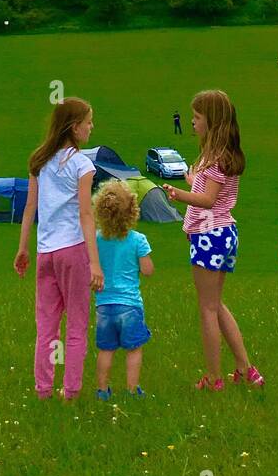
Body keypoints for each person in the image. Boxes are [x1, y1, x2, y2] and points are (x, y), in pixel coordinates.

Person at [164, 91, 264, 391]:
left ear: (212, 121)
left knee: (207, 308)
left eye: (197, 117)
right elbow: (211, 190)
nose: (192, 122)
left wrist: (179, 194)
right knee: (216, 304)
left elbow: (208, 200)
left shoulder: (215, 159)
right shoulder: (221, 156)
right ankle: (246, 369)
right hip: (224, 234)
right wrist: (192, 180)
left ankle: (213, 378)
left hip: (210, 235)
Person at [14, 98, 103, 401]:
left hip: (45, 252)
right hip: (73, 250)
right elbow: (86, 214)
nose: (91, 127)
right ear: (75, 127)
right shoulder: (82, 165)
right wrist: (95, 263)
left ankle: (43, 390)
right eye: (88, 122)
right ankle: (72, 392)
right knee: (77, 325)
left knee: (46, 327)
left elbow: (30, 208)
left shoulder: (39, 161)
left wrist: (23, 248)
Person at [93, 181, 153, 400]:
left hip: (104, 305)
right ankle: (132, 390)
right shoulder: (138, 240)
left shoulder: (96, 239)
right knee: (134, 349)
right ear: (132, 211)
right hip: (130, 305)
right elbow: (147, 270)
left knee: (106, 349)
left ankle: (102, 390)